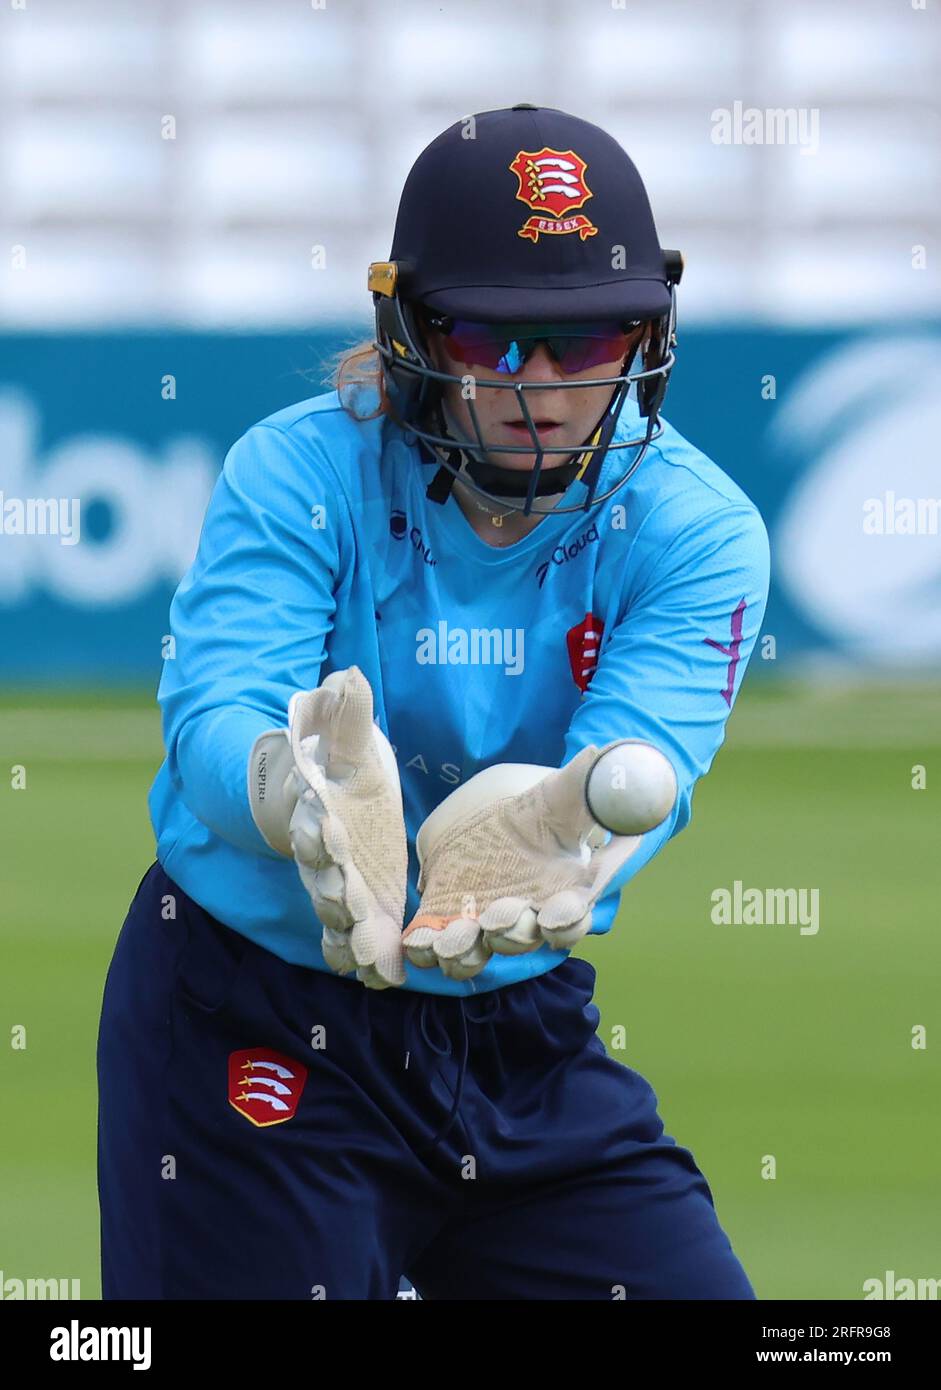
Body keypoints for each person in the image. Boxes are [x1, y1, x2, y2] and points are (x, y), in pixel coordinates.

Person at [97, 104, 769, 1300]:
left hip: (517, 1035)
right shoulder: (298, 470)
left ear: (644, 338)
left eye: (588, 339)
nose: (543, 388)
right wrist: (291, 796)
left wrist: (565, 836)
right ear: (412, 329)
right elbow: (218, 713)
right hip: (247, 1009)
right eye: (494, 339)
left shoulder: (697, 528)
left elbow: (637, 764)